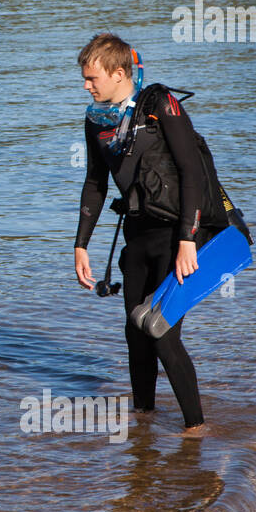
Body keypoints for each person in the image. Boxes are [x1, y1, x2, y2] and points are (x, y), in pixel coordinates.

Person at [72, 33, 226, 437]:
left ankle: (196, 427)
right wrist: (81, 244)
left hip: (177, 236)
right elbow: (95, 183)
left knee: (160, 330)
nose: (87, 86)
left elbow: (191, 170)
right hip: (137, 236)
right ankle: (144, 420)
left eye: (92, 78)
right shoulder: (96, 119)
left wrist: (188, 239)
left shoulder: (161, 104)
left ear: (119, 73)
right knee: (134, 331)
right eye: (84, 79)